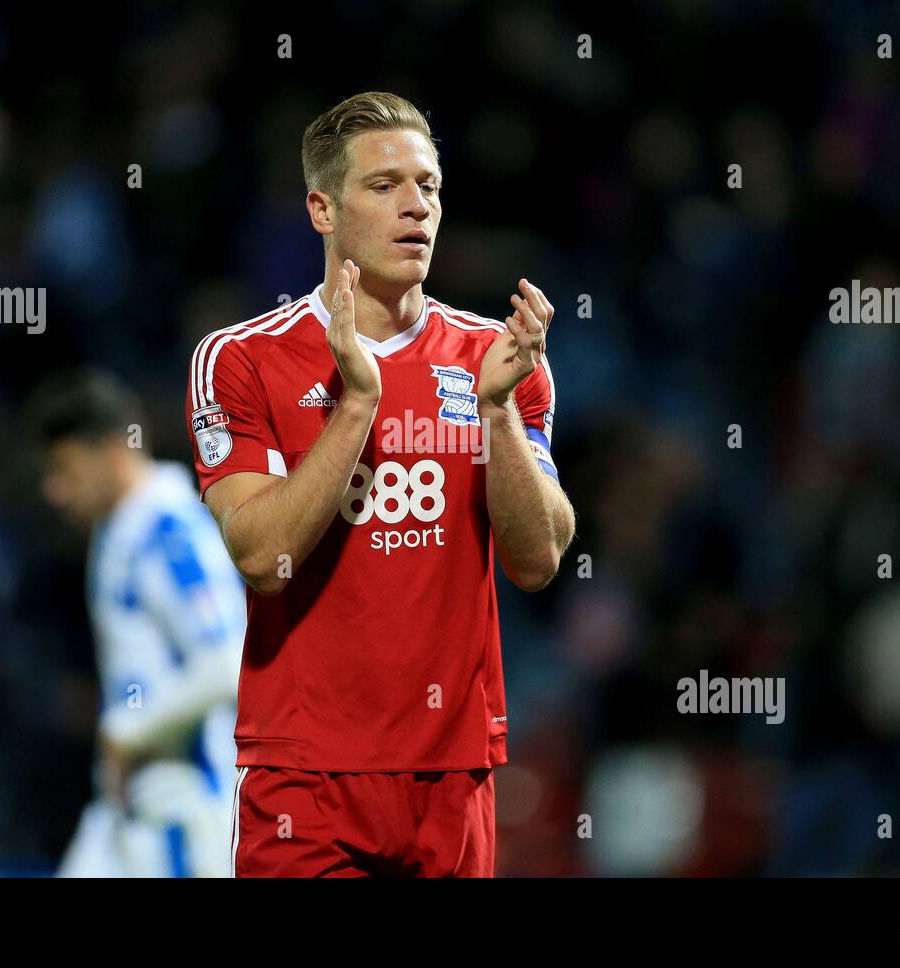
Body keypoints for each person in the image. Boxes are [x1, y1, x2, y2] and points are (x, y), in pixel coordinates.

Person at [187, 92, 576, 877]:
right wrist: (357, 402)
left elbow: (537, 562)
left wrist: (498, 412)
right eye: (386, 185)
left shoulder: (495, 360)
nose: (417, 208)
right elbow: (263, 558)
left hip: (453, 772)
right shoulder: (241, 360)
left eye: (428, 186)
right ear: (322, 209)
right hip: (304, 776)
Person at [29, 369, 246, 877]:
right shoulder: (118, 533)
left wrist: (129, 730)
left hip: (182, 812)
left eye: (65, 469)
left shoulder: (170, 531)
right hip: (126, 810)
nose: (55, 491)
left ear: (111, 450)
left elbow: (228, 663)